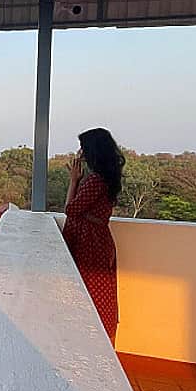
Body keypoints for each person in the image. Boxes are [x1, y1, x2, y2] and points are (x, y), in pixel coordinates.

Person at [62, 128, 125, 345]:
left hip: (89, 243)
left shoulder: (95, 181)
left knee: (91, 292)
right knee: (100, 293)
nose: (80, 152)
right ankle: (104, 342)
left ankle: (95, 344)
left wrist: (73, 181)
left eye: (83, 148)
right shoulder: (106, 179)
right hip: (98, 241)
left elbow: (71, 209)